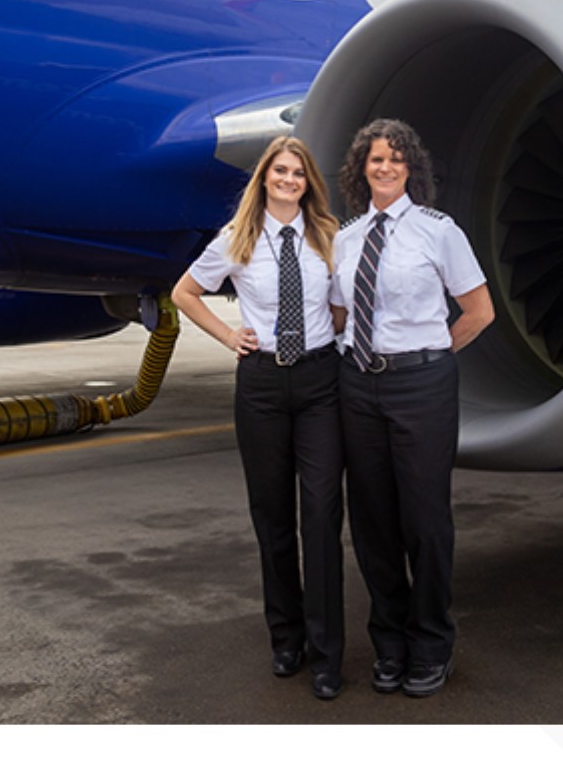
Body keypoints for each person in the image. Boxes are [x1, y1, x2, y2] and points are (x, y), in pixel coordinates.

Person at [171, 135, 348, 700]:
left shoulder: (329, 236)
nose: (289, 180)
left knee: (320, 516)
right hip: (263, 384)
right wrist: (229, 336)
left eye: (298, 172)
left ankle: (327, 652)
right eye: (281, 171)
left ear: (308, 182)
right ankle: (286, 639)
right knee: (272, 518)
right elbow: (184, 293)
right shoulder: (237, 237)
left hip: (321, 382)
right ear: (264, 179)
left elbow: (340, 307)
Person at [329, 118, 494, 698]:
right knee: (373, 522)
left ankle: (431, 643)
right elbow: (339, 316)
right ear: (362, 168)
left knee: (424, 522)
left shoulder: (438, 231)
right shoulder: (346, 238)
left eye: (396, 159)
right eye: (376, 158)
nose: (386, 167)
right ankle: (390, 642)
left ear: (411, 169)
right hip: (358, 386)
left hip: (421, 385)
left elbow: (479, 311)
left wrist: (430, 355)